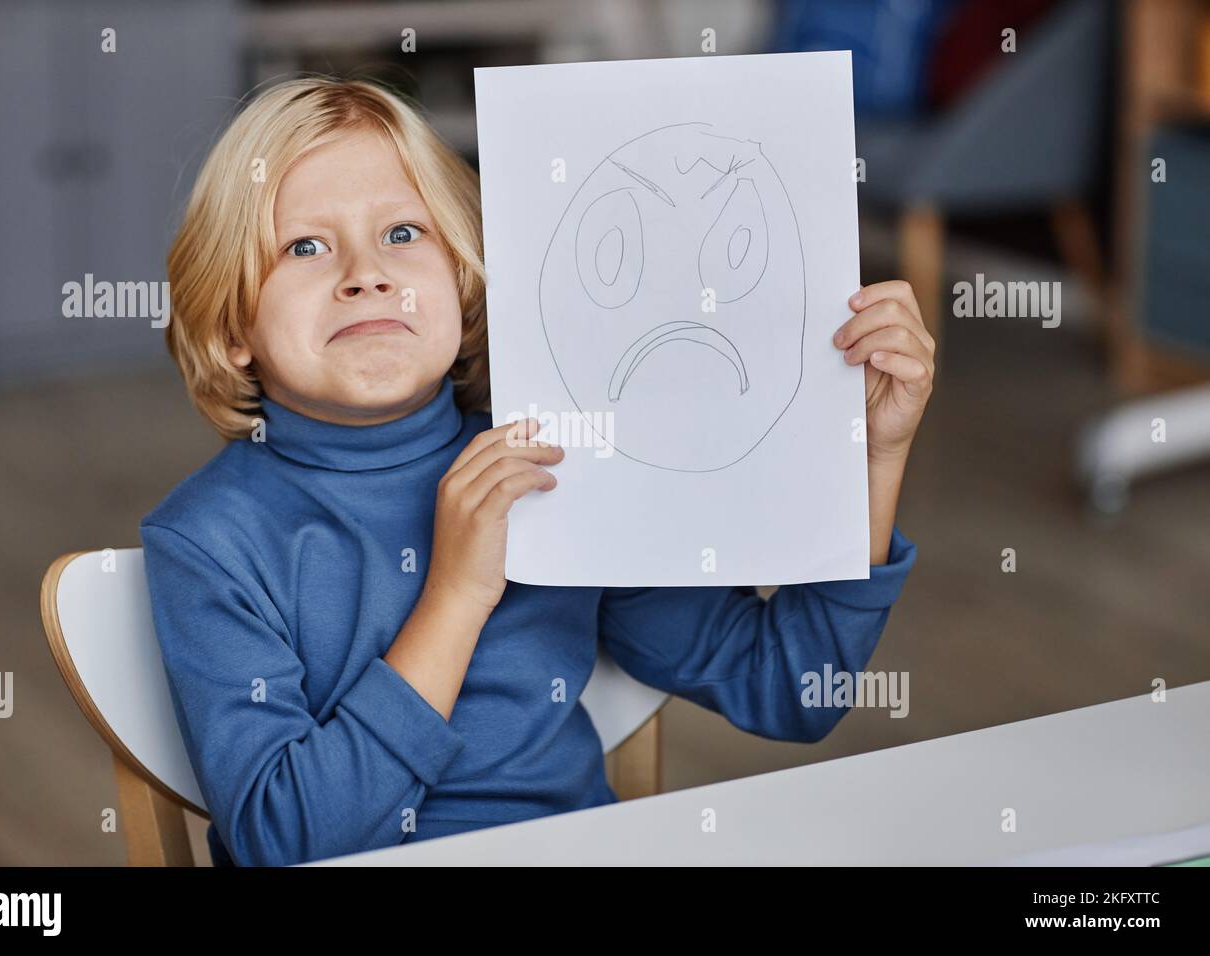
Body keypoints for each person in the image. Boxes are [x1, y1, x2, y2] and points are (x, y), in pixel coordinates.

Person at [140, 76, 932, 867]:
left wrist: (872, 453)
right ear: (232, 321)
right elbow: (285, 840)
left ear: (464, 277)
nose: (365, 273)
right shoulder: (209, 540)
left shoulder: (562, 464)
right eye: (305, 247)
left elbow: (792, 689)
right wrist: (455, 594)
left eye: (404, 233)